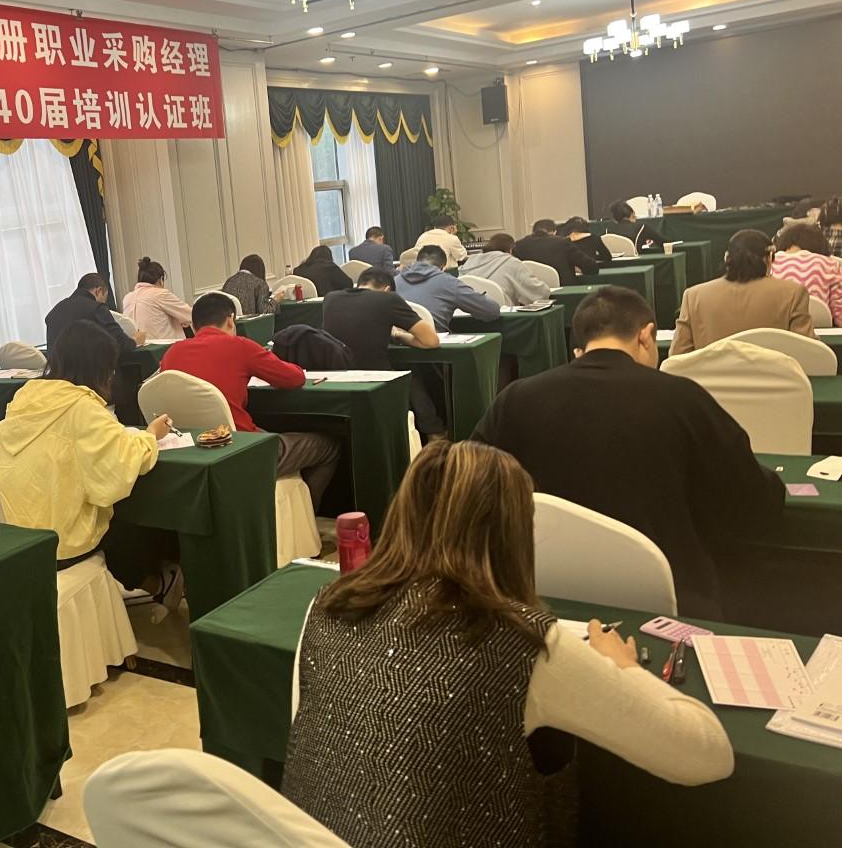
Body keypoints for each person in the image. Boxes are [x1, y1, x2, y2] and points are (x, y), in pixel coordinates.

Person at [281, 439, 733, 848]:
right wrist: (624, 667)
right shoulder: (517, 642)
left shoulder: (329, 604)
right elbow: (706, 754)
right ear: (514, 532)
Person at [473, 286, 785, 617]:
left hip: (536, 593)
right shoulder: (682, 398)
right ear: (646, 336)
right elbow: (751, 499)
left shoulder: (516, 398)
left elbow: (470, 486)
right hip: (672, 599)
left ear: (580, 346)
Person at [0, 320, 181, 606]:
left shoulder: (26, 398)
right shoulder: (82, 407)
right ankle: (158, 583)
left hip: (8, 534)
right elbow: (120, 463)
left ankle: (153, 585)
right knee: (120, 518)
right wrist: (151, 435)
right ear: (101, 368)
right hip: (54, 544)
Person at [160, 293, 339, 510]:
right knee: (328, 447)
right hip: (243, 449)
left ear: (193, 326)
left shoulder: (171, 353)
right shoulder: (240, 346)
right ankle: (307, 517)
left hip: (190, 453)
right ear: (230, 320)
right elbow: (294, 378)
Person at [670, 229, 817, 355]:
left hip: (709, 380)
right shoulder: (793, 293)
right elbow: (809, 351)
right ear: (769, 259)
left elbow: (677, 355)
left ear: (727, 258)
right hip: (774, 378)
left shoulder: (693, 296)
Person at [322, 267, 438, 368]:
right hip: (376, 378)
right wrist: (398, 335)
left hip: (334, 377)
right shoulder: (388, 299)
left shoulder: (330, 298)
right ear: (387, 290)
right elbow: (431, 341)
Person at [396, 245, 502, 331]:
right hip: (431, 344)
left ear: (417, 261)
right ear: (443, 267)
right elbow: (491, 311)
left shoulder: (394, 281)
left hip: (394, 344)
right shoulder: (448, 282)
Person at [46, 273, 143, 351]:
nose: (104, 303)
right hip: (88, 369)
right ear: (99, 291)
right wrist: (135, 340)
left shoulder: (53, 313)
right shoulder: (97, 308)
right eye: (104, 299)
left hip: (57, 370)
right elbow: (122, 344)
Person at [772, 222, 842, 325]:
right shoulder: (830, 264)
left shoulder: (770, 263)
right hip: (820, 331)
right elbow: (839, 315)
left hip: (776, 329)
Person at [459, 234, 553, 306]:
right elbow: (539, 292)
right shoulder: (512, 262)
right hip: (502, 315)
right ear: (510, 249)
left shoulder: (468, 263)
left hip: (466, 313)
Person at [122, 257, 193, 340]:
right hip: (162, 346)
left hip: (137, 346)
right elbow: (191, 315)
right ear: (160, 279)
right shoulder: (160, 294)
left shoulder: (127, 298)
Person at [514, 218, 598, 285]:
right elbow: (591, 267)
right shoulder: (563, 243)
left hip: (530, 292)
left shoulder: (518, 245)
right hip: (564, 291)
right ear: (554, 232)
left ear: (533, 231)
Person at [221, 253, 286, 315]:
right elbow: (265, 312)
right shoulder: (260, 284)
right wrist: (275, 300)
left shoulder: (229, 281)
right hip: (250, 322)